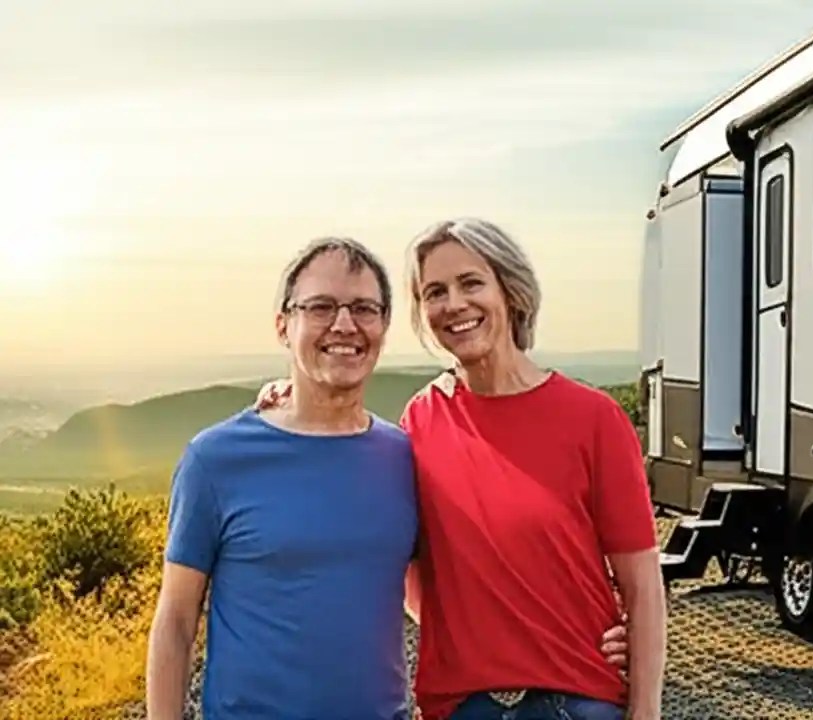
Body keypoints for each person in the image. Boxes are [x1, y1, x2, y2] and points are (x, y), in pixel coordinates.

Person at [145, 237, 629, 720]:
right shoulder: (216, 460)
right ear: (283, 325)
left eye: (364, 309)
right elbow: (176, 622)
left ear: (383, 327)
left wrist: (582, 635)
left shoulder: (404, 454)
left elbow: (475, 571)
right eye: (321, 307)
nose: (344, 325)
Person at [258, 217, 667, 720]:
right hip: (461, 708)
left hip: (577, 702)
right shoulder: (421, 420)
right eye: (435, 292)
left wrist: (644, 708)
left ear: (510, 292)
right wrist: (296, 401)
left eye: (471, 283)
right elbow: (393, 550)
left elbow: (643, 584)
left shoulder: (594, 419)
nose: (453, 304)